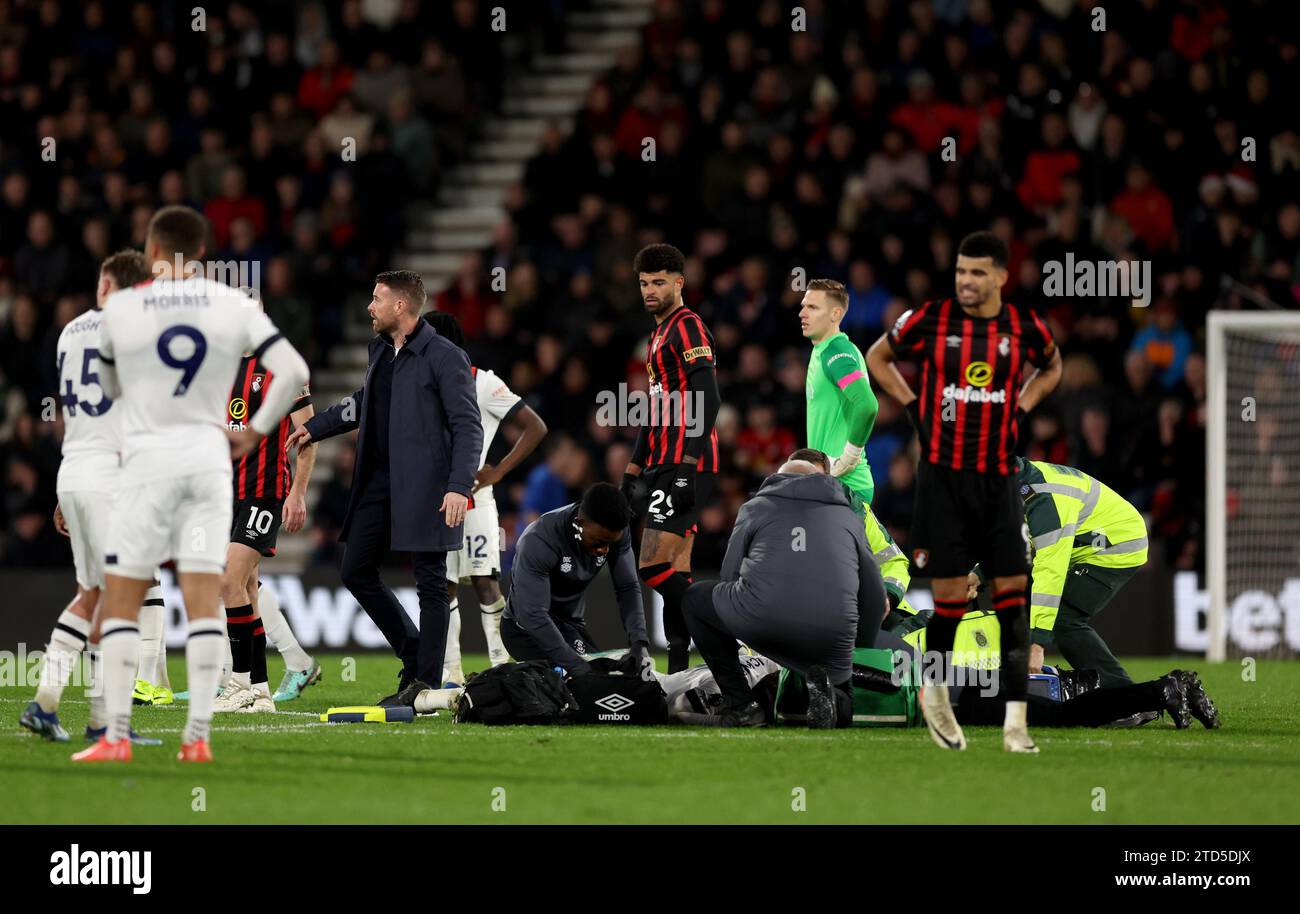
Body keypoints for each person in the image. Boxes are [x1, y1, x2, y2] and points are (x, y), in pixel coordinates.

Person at [74, 205, 310, 763]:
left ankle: (115, 734)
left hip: (153, 463)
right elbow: (295, 371)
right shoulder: (229, 305)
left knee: (127, 593)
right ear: (202, 253)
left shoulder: (129, 307)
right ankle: (197, 737)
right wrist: (252, 431)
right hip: (210, 470)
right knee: (210, 600)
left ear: (153, 252)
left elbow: (108, 384)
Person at [867, 229, 1063, 753]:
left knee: (1013, 604)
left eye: (977, 273)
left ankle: (1015, 725)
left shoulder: (1023, 326)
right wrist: (913, 408)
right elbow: (877, 357)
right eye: (960, 272)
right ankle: (936, 696)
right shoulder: (930, 318)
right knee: (949, 603)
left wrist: (1021, 407)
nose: (966, 282)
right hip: (942, 482)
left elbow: (1053, 366)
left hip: (998, 480)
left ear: (1001, 276)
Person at [285, 271, 482, 707]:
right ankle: (412, 651)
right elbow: (363, 401)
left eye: (376, 299)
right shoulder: (380, 350)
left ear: (400, 307)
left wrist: (457, 486)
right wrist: (315, 429)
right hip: (378, 482)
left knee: (430, 582)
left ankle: (424, 683)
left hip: (429, 487)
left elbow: (468, 426)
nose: (369, 308)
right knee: (355, 569)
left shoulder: (444, 356)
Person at [19, 250, 167, 745]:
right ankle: (105, 722)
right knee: (119, 598)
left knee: (92, 593)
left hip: (74, 472)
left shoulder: (70, 332)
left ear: (105, 285)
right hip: (112, 477)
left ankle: (45, 705)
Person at [681, 458, 887, 729]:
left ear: (776, 480)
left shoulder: (754, 508)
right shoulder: (848, 516)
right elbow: (873, 594)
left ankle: (742, 706)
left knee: (695, 598)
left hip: (762, 618)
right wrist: (856, 648)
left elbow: (728, 576)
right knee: (844, 704)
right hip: (832, 632)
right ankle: (835, 699)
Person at [210, 285, 320, 713]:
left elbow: (308, 437)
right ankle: (257, 690)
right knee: (249, 590)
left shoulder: (282, 367)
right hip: (228, 494)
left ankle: (239, 681)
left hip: (265, 492)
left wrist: (298, 492)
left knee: (227, 583)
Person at [424, 311, 547, 686]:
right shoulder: (422, 383)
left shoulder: (484, 383)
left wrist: (499, 471)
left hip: (476, 499)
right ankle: (452, 675)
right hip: (437, 500)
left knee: (484, 580)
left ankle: (501, 664)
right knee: (443, 586)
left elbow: (535, 426)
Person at [620, 244, 721, 673]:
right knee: (677, 568)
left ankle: (723, 624)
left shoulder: (687, 327)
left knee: (652, 564)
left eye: (659, 282)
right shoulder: (657, 335)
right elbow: (657, 408)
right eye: (644, 283)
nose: (650, 290)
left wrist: (686, 466)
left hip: (685, 463)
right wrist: (633, 466)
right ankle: (679, 671)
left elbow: (710, 400)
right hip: (663, 462)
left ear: (679, 283)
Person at [984, 457, 1150, 688]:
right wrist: (979, 573)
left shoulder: (1043, 501)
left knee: (1064, 619)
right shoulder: (1019, 481)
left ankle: (1126, 697)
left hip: (1117, 545)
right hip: (1092, 539)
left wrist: (1037, 645)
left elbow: (1050, 571)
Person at [499, 482, 652, 677]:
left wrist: (639, 643)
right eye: (599, 543)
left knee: (610, 679)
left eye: (609, 544)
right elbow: (532, 614)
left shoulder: (615, 532)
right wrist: (577, 666)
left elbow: (628, 587)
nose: (604, 550)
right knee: (578, 687)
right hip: (524, 630)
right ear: (580, 523)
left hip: (570, 626)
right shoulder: (540, 540)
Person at [799, 278, 879, 498]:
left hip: (846, 486)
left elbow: (867, 405)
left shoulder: (836, 352)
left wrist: (848, 459)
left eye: (812, 307)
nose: (802, 313)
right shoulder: (823, 349)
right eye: (803, 306)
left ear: (835, 315)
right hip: (831, 483)